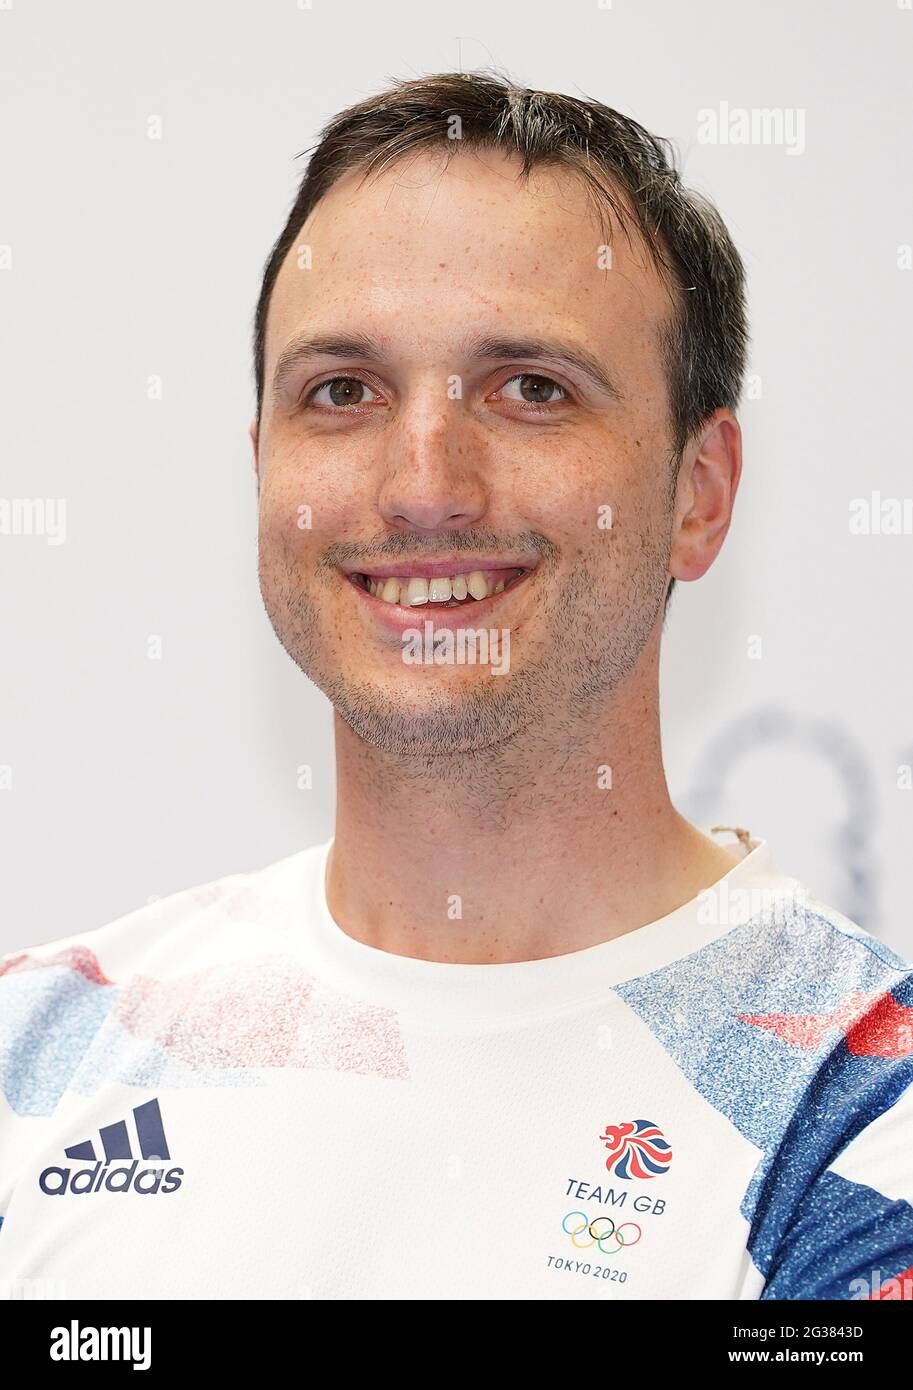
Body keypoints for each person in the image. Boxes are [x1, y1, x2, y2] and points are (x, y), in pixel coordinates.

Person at [1, 70, 911, 1302]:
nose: (424, 483)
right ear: (261, 464)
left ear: (699, 489)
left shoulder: (857, 1105)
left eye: (530, 388)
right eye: (343, 392)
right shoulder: (39, 1054)